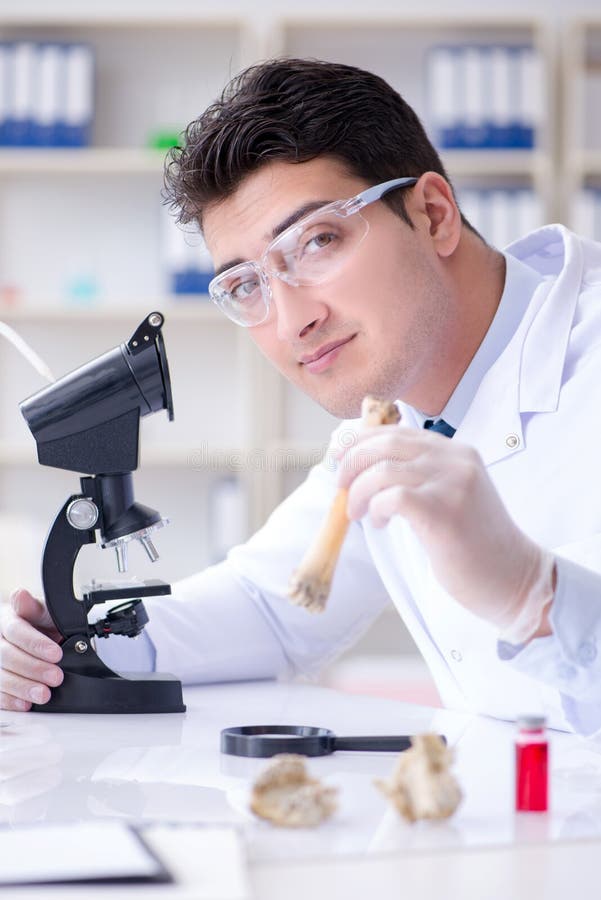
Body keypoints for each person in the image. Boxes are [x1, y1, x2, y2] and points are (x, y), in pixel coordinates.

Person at [2, 58, 601, 734]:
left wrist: (535, 598)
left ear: (433, 214)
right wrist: (69, 640)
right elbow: (270, 605)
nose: (291, 322)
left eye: (317, 240)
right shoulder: (397, 412)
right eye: (246, 284)